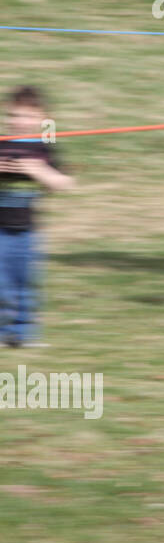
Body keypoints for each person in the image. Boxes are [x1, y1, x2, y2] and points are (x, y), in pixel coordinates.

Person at [0, 86, 74, 348]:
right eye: (14, 115)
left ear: (43, 119)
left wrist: (37, 170)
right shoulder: (1, 145)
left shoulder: (45, 149)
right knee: (1, 283)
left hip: (28, 230)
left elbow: (63, 183)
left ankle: (23, 334)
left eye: (27, 116)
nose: (19, 122)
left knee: (24, 282)